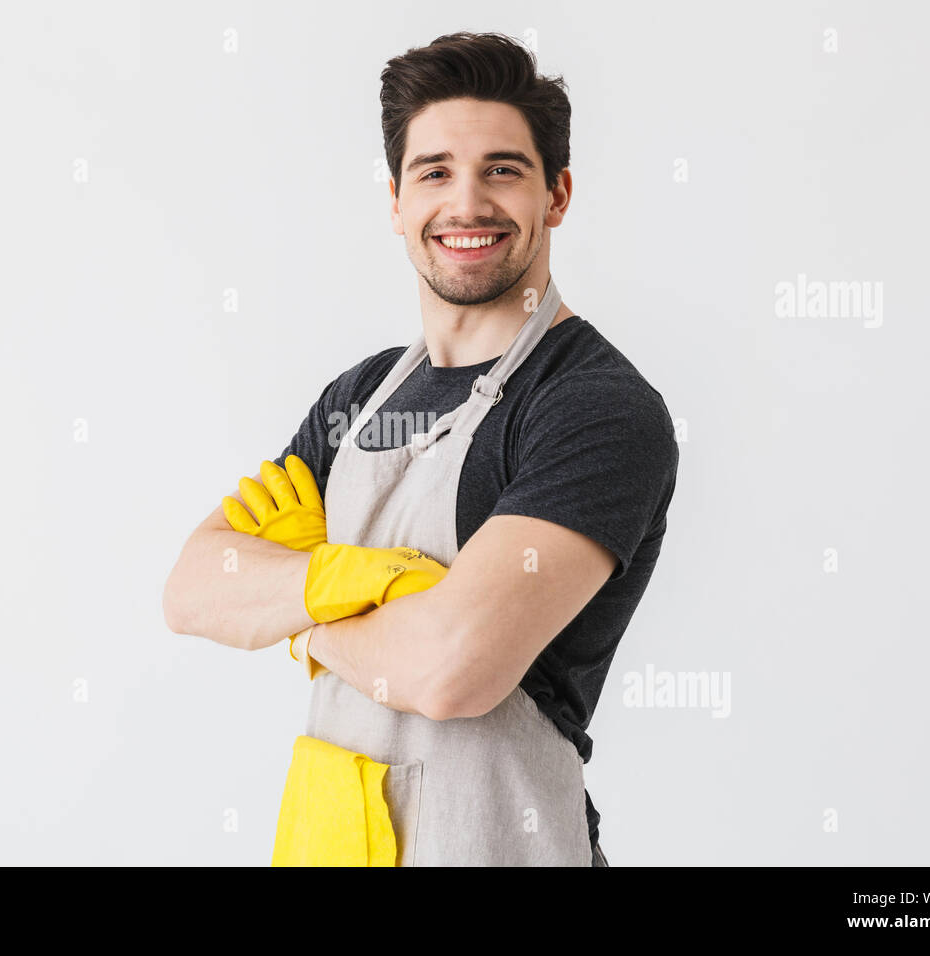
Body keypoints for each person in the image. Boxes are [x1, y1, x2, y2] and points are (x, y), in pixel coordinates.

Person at [163, 31, 678, 867]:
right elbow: (192, 588)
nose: (466, 204)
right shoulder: (361, 398)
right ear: (396, 202)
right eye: (435, 171)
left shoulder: (593, 407)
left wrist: (295, 613)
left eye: (502, 170)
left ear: (559, 194)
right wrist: (374, 586)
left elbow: (451, 672)